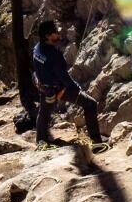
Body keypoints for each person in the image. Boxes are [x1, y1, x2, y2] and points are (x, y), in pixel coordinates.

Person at [31, 20, 104, 148]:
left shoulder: (37, 49)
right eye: (56, 33)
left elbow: (37, 69)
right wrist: (76, 87)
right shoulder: (54, 56)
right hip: (59, 89)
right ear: (47, 36)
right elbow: (64, 79)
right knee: (90, 104)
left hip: (45, 89)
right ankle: (97, 142)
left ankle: (41, 142)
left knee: (43, 114)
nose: (59, 35)